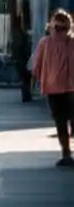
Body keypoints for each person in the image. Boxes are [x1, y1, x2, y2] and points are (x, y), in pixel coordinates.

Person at [30, 9, 74, 167]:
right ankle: (67, 152)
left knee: (60, 121)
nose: (61, 32)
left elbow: (36, 65)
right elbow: (37, 65)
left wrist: (34, 81)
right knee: (67, 119)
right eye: (60, 29)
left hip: (54, 87)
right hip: (68, 88)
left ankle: (66, 153)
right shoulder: (69, 42)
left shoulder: (45, 42)